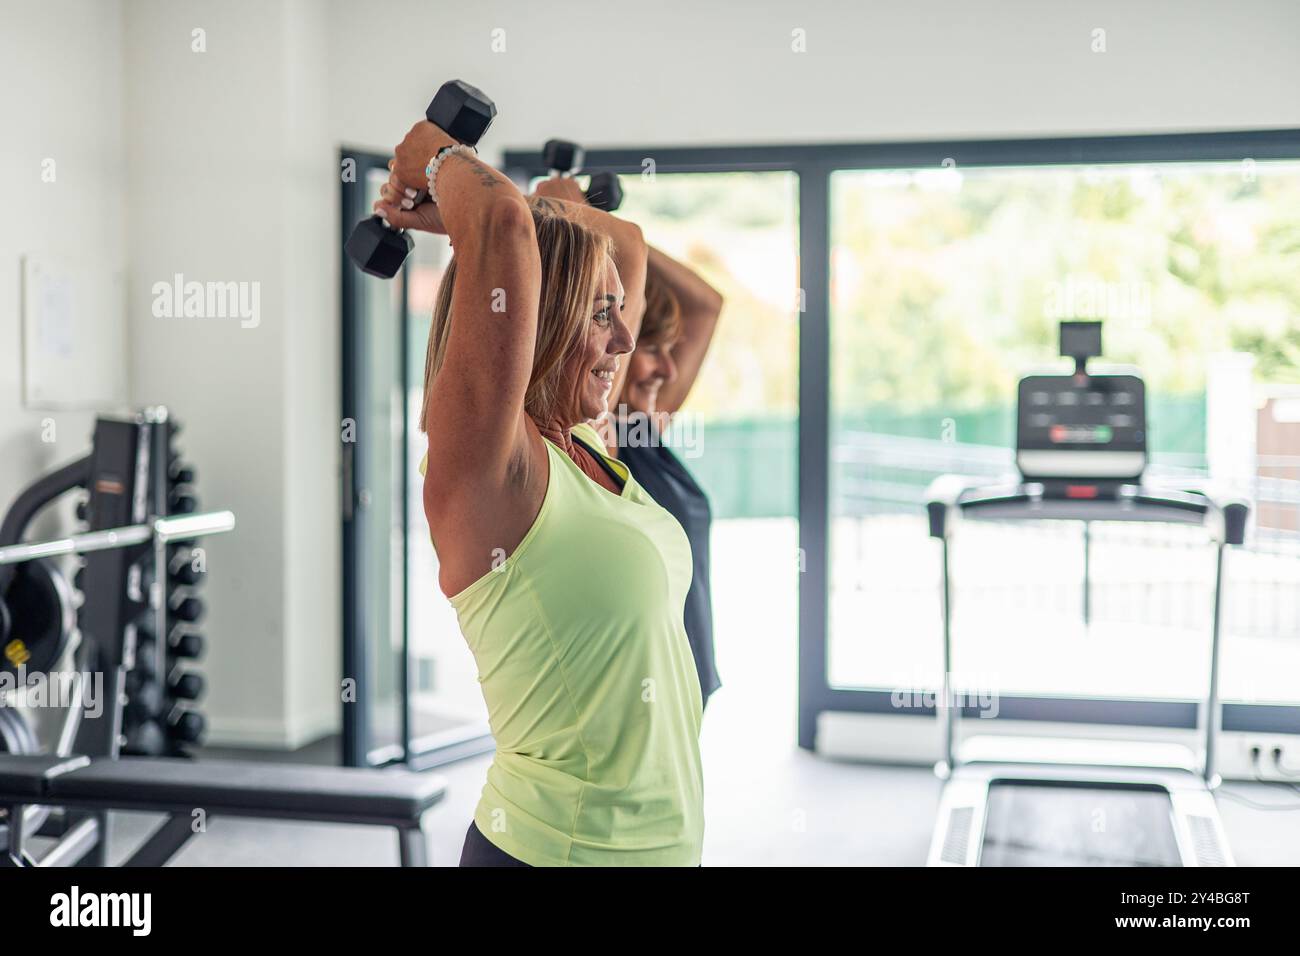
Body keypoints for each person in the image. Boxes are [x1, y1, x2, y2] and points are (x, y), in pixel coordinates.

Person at [373, 120, 704, 867]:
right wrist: (436, 155)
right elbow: (498, 224)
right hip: (554, 852)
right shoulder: (490, 472)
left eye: (620, 310)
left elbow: (625, 240)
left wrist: (545, 211)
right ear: (540, 319)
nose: (625, 341)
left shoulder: (586, 445)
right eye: (599, 313)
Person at [610, 250, 724, 708]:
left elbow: (707, 306)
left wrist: (624, 242)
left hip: (685, 688)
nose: (668, 369)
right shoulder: (601, 440)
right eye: (652, 348)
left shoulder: (641, 429)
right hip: (642, 694)